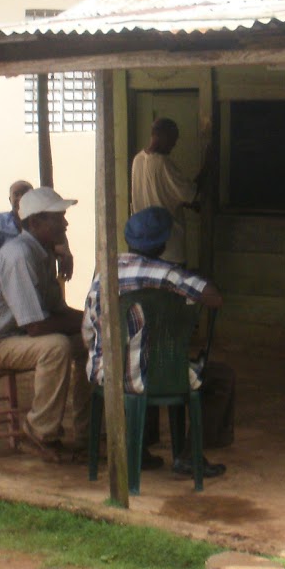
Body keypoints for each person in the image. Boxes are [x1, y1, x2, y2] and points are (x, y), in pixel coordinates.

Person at [81, 205, 231, 477]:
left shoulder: (103, 274)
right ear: (163, 244)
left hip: (107, 372)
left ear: (129, 240)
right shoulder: (169, 275)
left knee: (139, 360)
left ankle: (138, 450)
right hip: (158, 376)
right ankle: (189, 454)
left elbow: (88, 330)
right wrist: (194, 278)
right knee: (220, 378)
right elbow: (214, 298)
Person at [0, 186, 90, 453]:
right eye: (58, 217)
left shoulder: (43, 253)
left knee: (90, 340)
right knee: (55, 347)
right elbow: (36, 326)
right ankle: (41, 430)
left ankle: (88, 432)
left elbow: (56, 310)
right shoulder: (19, 256)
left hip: (14, 336)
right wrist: (89, 322)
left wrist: (93, 320)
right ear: (35, 222)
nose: (66, 223)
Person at [130, 116, 213, 264]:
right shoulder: (163, 164)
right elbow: (191, 194)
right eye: (173, 139)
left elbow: (167, 193)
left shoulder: (137, 160)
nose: (174, 144)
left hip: (144, 247)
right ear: (162, 136)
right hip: (168, 249)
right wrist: (208, 163)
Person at [0, 179, 74, 280]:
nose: (21, 198)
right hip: (7, 277)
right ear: (10, 199)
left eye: (25, 194)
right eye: (16, 194)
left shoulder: (43, 222)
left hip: (40, 276)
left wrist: (66, 255)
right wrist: (0, 268)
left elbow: (60, 243)